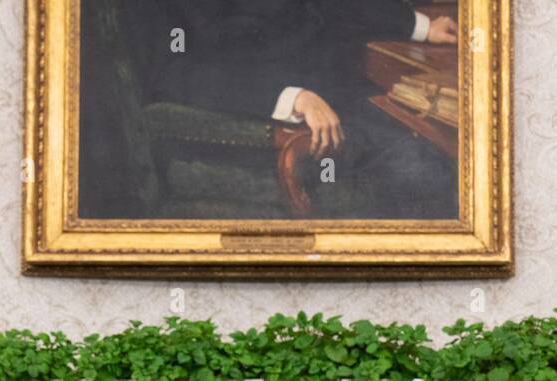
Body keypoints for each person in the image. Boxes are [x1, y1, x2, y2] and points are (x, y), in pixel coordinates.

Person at [129, 0, 459, 218]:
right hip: (260, 126)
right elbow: (169, 70)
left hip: (342, 98)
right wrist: (291, 98)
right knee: (422, 167)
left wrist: (420, 26)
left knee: (444, 145)